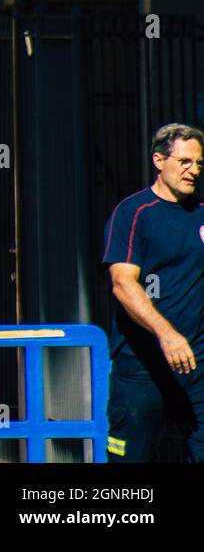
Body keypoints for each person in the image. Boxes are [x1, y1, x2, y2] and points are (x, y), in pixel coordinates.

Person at [102, 123, 204, 461]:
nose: (194, 170)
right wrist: (166, 334)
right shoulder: (133, 213)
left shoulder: (201, 213)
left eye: (199, 163)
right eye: (185, 162)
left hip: (197, 366)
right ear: (159, 160)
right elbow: (122, 283)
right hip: (142, 366)